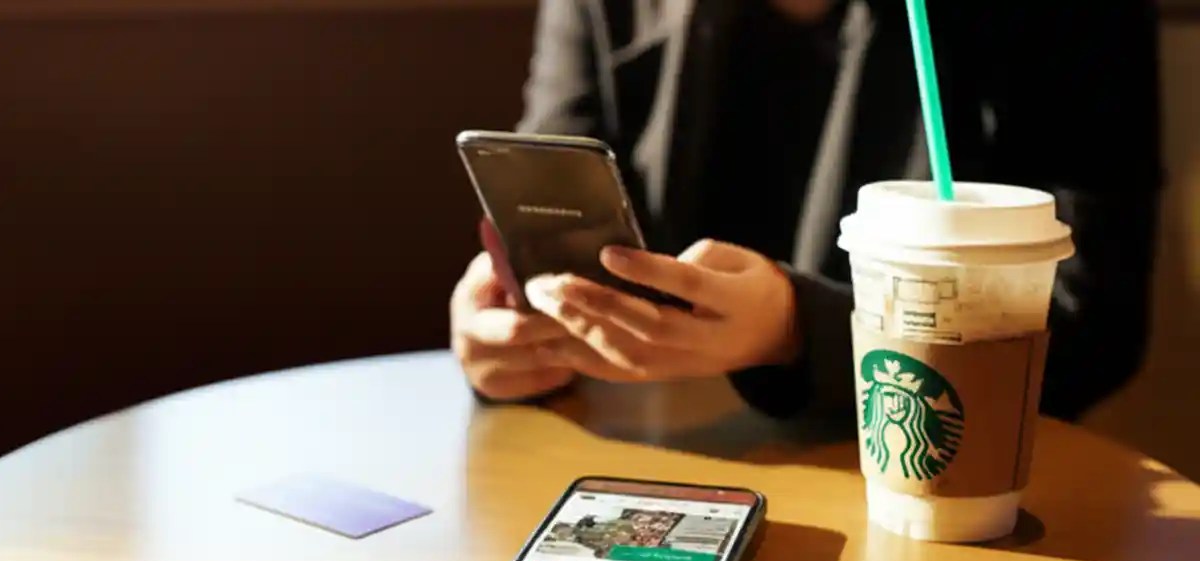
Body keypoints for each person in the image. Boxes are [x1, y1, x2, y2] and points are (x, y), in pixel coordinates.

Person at [450, 0, 1161, 424]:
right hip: (657, 469)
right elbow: (550, 215)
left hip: (951, 487)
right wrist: (508, 324)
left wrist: (799, 330)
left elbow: (1091, 330)